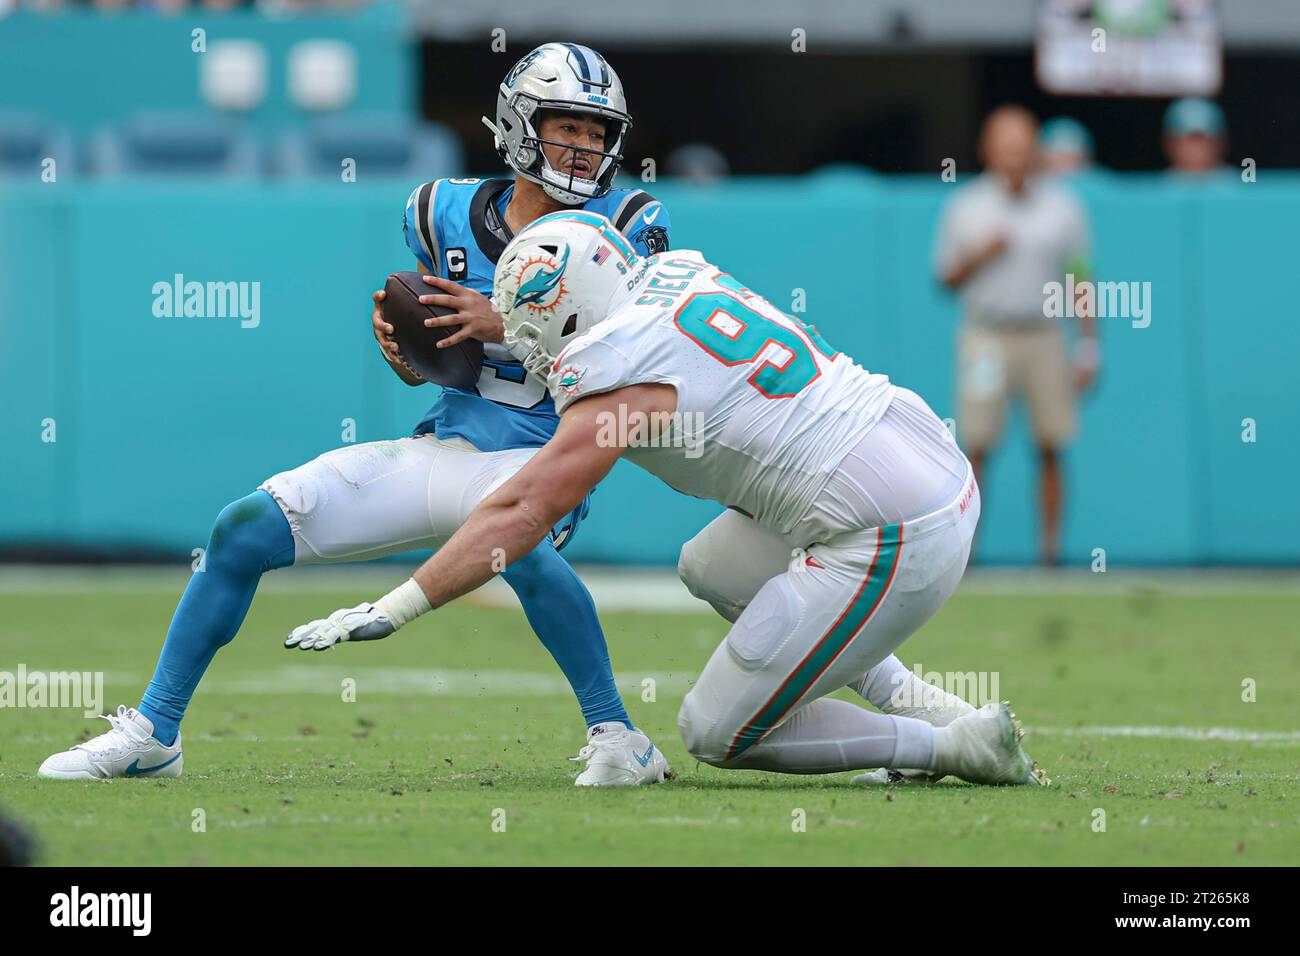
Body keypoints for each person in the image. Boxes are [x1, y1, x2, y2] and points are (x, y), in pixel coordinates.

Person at [38, 43, 672, 787]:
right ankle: (154, 733)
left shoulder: (630, 219)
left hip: (545, 457)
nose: (585, 147)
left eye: (598, 134)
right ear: (517, 123)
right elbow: (439, 360)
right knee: (243, 529)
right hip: (451, 443)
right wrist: (408, 352)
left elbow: (641, 352)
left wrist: (502, 319)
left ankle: (618, 736)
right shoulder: (440, 212)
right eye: (569, 126)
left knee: (519, 541)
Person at [286, 212, 1050, 788]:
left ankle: (949, 747)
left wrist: (400, 603)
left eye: (529, 329)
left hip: (890, 527)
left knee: (717, 730)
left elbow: (521, 511)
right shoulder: (676, 271)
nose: (530, 349)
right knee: (712, 565)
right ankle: (919, 701)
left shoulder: (611, 362)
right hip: (915, 450)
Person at [933, 105, 1096, 566]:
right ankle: (968, 553)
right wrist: (980, 256)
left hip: (1044, 334)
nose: (1015, 160)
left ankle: (1050, 552)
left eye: (1023, 150)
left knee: (1051, 443)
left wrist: (1087, 345)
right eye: (1006, 150)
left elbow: (1079, 279)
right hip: (986, 335)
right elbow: (945, 280)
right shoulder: (965, 207)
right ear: (988, 151)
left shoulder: (1063, 207)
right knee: (978, 445)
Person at [1162, 97, 1228, 176]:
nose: (1195, 150)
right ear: (1169, 144)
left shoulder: (1242, 183)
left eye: (1201, 141)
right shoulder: (1151, 186)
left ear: (1220, 143)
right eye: (1190, 140)